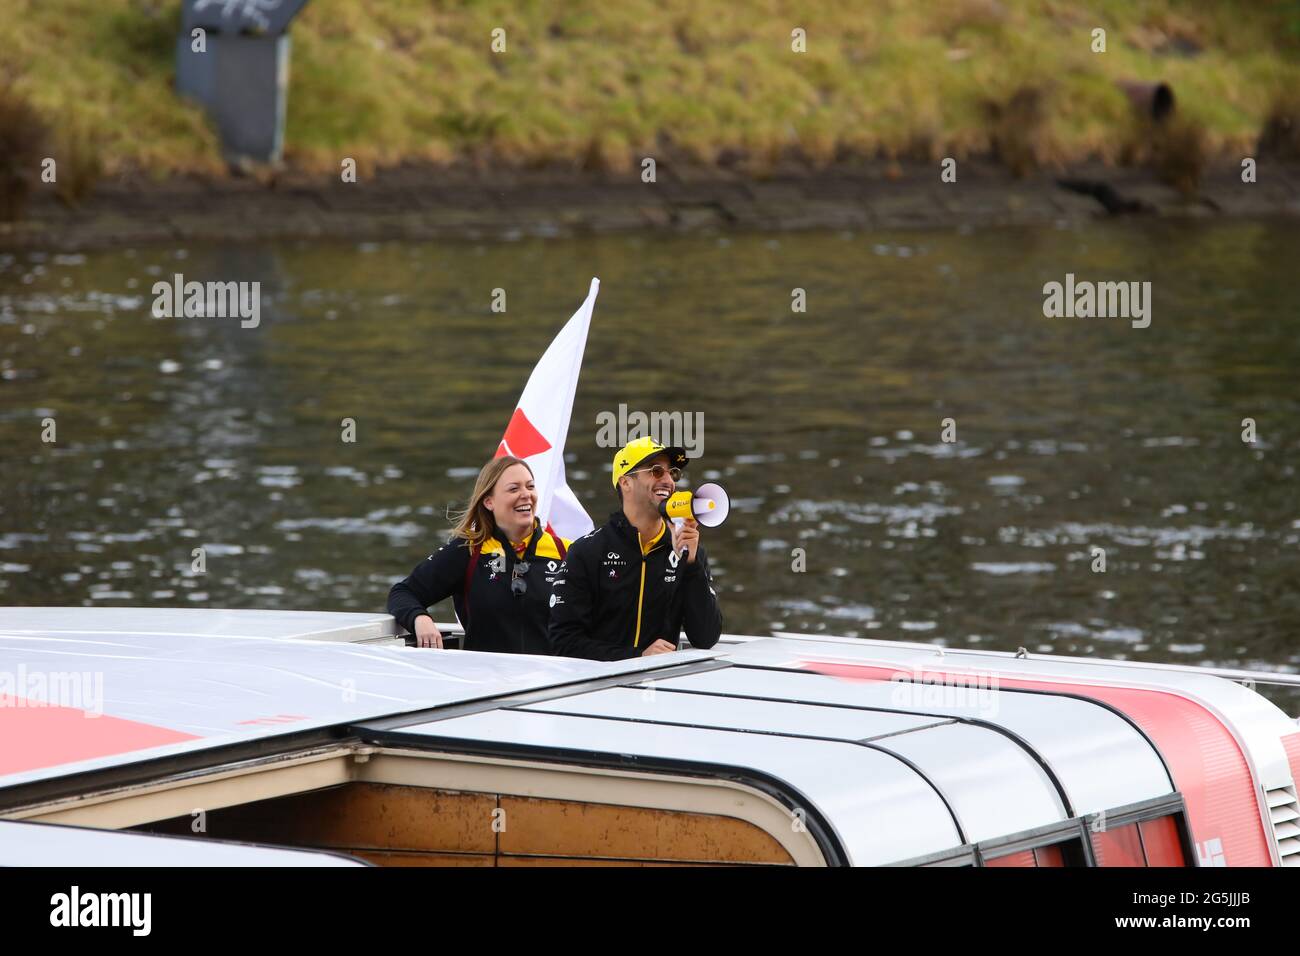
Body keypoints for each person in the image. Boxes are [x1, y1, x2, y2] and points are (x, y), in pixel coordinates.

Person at [548, 436, 722, 660]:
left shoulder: (687, 550)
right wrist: (636, 657)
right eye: (656, 470)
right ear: (625, 482)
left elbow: (706, 638)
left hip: (662, 685)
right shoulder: (586, 552)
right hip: (598, 689)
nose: (669, 480)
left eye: (673, 472)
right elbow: (563, 643)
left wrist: (691, 565)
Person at [387, 456, 570, 654]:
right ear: (489, 501)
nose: (526, 494)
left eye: (530, 486)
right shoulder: (469, 552)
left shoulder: (567, 552)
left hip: (554, 682)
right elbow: (402, 593)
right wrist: (420, 619)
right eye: (514, 489)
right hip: (489, 682)